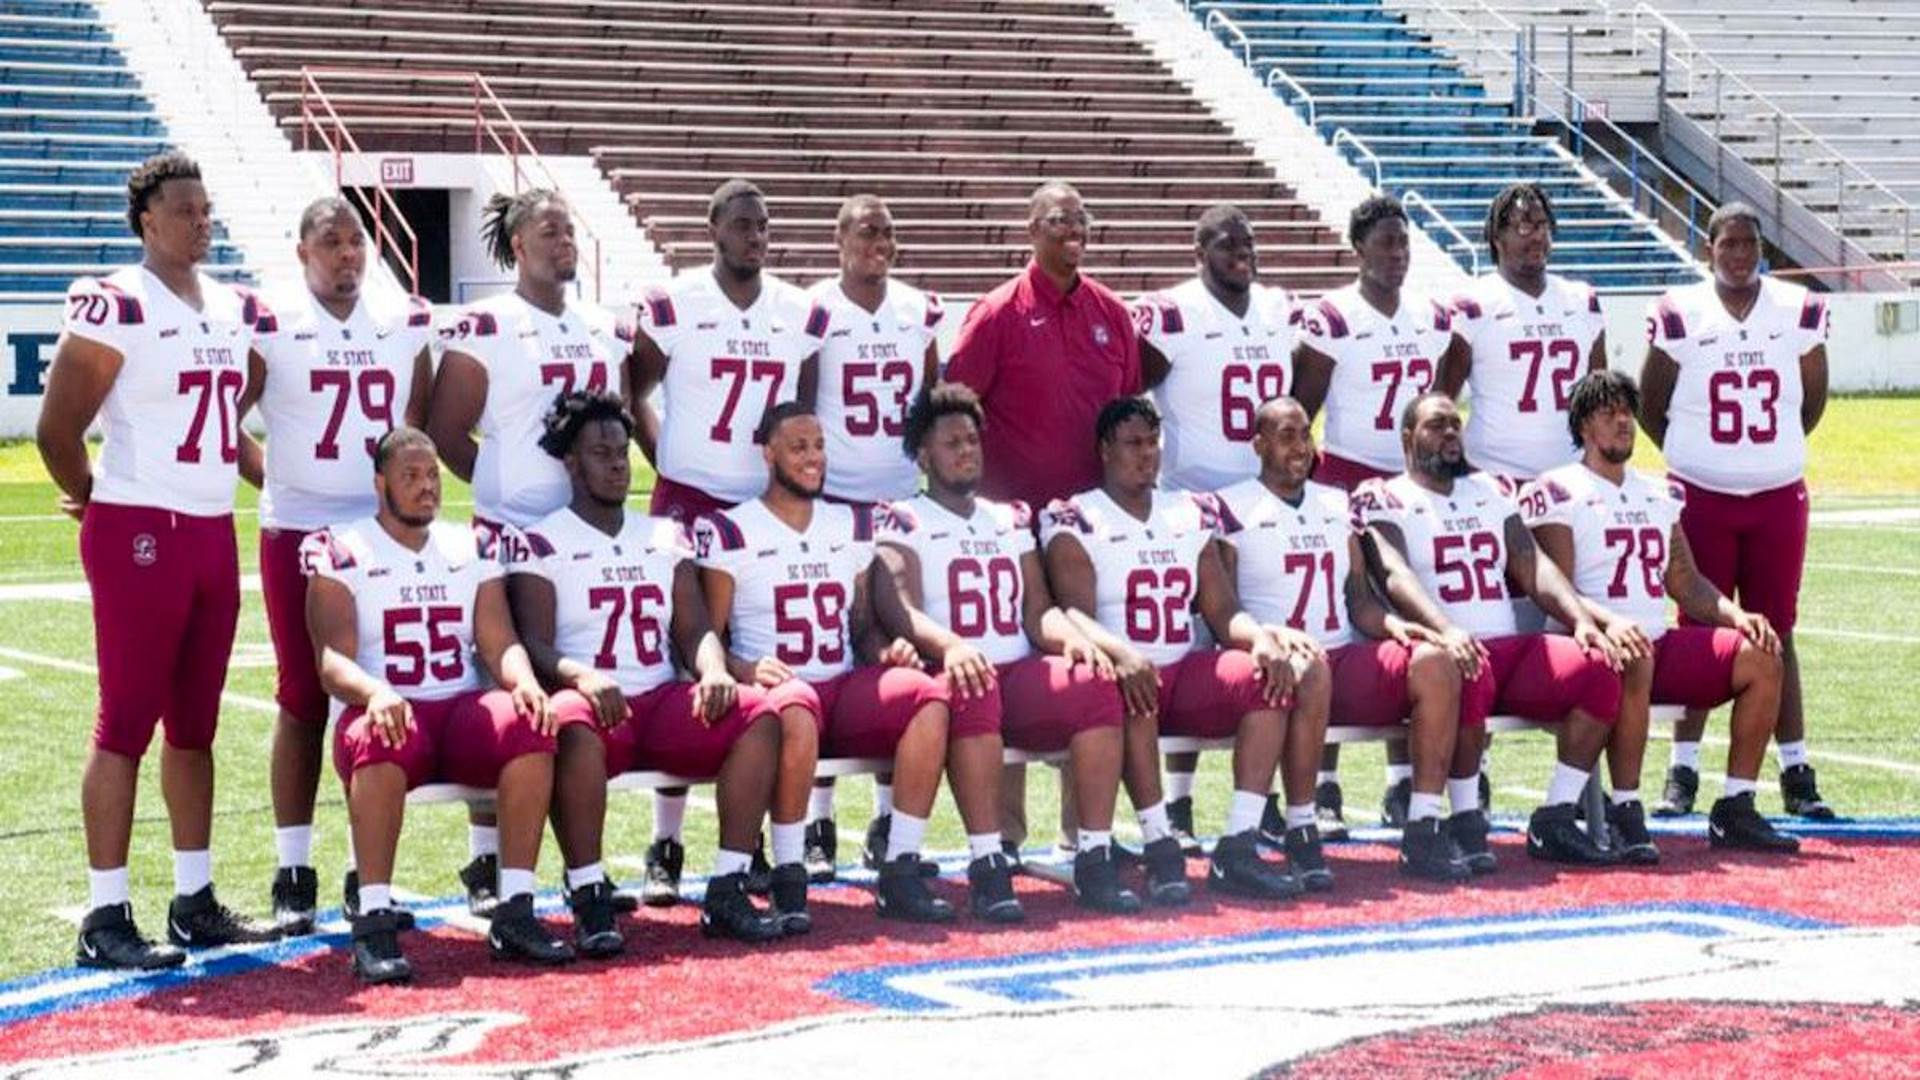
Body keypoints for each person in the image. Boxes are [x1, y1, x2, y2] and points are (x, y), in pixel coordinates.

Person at [39, 151, 278, 969]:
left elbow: (224, 418)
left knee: (196, 727)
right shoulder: (118, 300)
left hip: (212, 530)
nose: (202, 221)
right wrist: (96, 499)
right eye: (185, 210)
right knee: (125, 723)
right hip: (139, 525)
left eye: (207, 209)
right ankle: (105, 916)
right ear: (147, 218)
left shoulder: (232, 305)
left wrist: (267, 475)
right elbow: (57, 429)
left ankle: (193, 898)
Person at [507, 391, 788, 950]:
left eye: (621, 451)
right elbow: (532, 641)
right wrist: (581, 677)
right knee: (571, 726)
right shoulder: (541, 539)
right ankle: (589, 892)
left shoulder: (663, 535)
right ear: (570, 461)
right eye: (599, 453)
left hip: (658, 698)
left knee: (759, 715)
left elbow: (693, 629)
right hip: (592, 700)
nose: (615, 463)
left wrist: (712, 669)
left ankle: (729, 884)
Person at [425, 188, 634, 915]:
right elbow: (447, 430)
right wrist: (502, 487)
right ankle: (489, 864)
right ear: (517, 244)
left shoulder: (605, 327)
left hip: (588, 537)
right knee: (509, 688)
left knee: (590, 684)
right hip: (513, 531)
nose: (565, 241)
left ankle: (584, 866)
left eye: (570, 230)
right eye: (550, 230)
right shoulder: (486, 324)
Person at [304, 428, 569, 984]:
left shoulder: (467, 545)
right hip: (392, 711)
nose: (426, 488)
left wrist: (522, 681)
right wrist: (375, 692)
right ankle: (374, 920)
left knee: (531, 722)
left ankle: (515, 907)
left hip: (458, 709)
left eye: (432, 477)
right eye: (411, 477)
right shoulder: (342, 548)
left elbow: (498, 642)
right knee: (379, 733)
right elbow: (331, 659)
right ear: (380, 484)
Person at [238, 196, 434, 935]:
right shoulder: (274, 321)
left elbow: (411, 425)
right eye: (331, 242)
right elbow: (223, 415)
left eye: (357, 242)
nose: (347, 255)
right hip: (295, 529)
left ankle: (367, 872)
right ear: (301, 251)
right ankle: (293, 868)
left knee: (375, 694)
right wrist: (277, 481)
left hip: (374, 534)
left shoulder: (402, 322)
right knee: (300, 696)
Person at [695, 402, 964, 927]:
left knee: (928, 696)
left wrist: (887, 655)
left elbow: (862, 627)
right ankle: (790, 873)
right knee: (793, 705)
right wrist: (746, 670)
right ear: (768, 454)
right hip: (785, 689)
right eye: (799, 448)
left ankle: (901, 865)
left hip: (841, 682)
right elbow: (707, 634)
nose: (813, 458)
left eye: (818, 446)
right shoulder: (733, 530)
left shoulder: (852, 523)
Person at [877, 383, 1138, 915]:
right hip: (956, 674)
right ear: (924, 455)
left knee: (1095, 686)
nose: (966, 450)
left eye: (972, 440)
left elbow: (1037, 610)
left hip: (1016, 671)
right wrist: (952, 647)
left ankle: (1093, 855)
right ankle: (988, 861)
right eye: (952, 442)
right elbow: (900, 605)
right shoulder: (904, 519)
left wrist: (1077, 641)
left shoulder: (1008, 518)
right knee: (974, 687)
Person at [1043, 397, 1315, 904]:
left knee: (1266, 678)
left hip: (1184, 667)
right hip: (1122, 674)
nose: (1146, 455)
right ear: (1105, 450)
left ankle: (1239, 842)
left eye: (1152, 443)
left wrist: (1258, 638)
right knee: (1135, 684)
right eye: (1132, 444)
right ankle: (1158, 840)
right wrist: (1119, 653)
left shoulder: (1187, 511)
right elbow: (1072, 611)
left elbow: (1221, 607)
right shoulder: (1078, 516)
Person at [626, 179, 819, 893]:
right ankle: (664, 843)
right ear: (713, 228)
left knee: (757, 665)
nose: (755, 236)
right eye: (742, 224)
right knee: (686, 661)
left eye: (764, 225)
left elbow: (802, 406)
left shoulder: (798, 311)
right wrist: (666, 458)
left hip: (756, 507)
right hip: (686, 498)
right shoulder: (677, 303)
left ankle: (754, 836)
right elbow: (633, 390)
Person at [1521, 370, 1798, 858]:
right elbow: (1555, 587)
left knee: (1762, 651)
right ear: (1585, 425)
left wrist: (1737, 615)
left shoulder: (1657, 495)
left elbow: (1686, 584)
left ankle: (1736, 805)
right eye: (1609, 413)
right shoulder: (1558, 489)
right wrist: (1610, 621)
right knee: (1636, 653)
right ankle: (1628, 809)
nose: (1623, 422)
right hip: (1586, 644)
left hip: (1655, 642)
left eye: (1628, 411)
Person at [946, 180, 1141, 854]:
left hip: (1085, 532)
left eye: (1082, 219)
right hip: (1008, 527)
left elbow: (1125, 413)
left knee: (1088, 669)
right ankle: (1003, 837)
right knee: (1007, 666)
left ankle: (1081, 833)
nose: (1073, 230)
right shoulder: (998, 312)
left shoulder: (1111, 313)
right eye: (1059, 220)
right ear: (1030, 230)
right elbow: (956, 411)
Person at [1214, 398, 1481, 882]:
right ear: (1258, 444)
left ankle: (1422, 825)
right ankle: (1301, 827)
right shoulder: (1232, 508)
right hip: (1279, 661)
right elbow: (1223, 606)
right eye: (1286, 435)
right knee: (1310, 666)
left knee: (1434, 662)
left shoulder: (1337, 503)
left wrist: (1392, 626)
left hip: (1342, 655)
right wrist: (1265, 637)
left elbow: (1358, 598)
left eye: (1305, 434)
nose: (1300, 446)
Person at [1355, 394, 1625, 868]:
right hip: (1449, 655)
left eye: (1455, 425)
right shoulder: (1387, 497)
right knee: (1468, 663)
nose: (1450, 434)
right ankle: (1464, 817)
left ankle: (1556, 815)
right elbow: (1394, 573)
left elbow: (1529, 561)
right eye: (1436, 426)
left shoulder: (1490, 489)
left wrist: (1582, 621)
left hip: (1512, 653)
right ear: (1407, 439)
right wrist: (1446, 630)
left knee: (1599, 668)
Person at [1637, 203, 1834, 822]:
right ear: (1708, 248)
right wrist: (1697, 456)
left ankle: (1796, 769)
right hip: (1700, 490)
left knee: (1778, 629)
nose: (1740, 255)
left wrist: (1768, 453)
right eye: (1729, 244)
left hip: (1776, 493)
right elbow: (1651, 404)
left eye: (1749, 244)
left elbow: (1811, 399)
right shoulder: (1679, 312)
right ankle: (1684, 768)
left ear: (1762, 250)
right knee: (1700, 628)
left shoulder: (1797, 310)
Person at [1292, 194, 1470, 834]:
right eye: (1384, 243)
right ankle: (1327, 779)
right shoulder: (1332, 315)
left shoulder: (1433, 314)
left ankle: (1403, 779)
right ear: (1357, 247)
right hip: (1343, 471)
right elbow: (1301, 406)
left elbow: (1448, 381)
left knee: (1409, 616)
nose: (1396, 254)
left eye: (1403, 242)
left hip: (1406, 479)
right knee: (1340, 615)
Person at [1133, 204, 1299, 846]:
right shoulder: (1172, 313)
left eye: (1249, 241)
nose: (1243, 252)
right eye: (1228, 243)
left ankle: (1264, 798)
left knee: (1263, 639)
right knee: (1200, 647)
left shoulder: (1278, 307)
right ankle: (1177, 801)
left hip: (1258, 503)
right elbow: (1133, 389)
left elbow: (1295, 400)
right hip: (1193, 500)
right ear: (1198, 251)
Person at [795, 193, 944, 879]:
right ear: (839, 240)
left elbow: (931, 400)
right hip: (832, 497)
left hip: (897, 502)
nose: (878, 241)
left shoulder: (918, 310)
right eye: (865, 230)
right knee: (827, 650)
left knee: (901, 651)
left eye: (887, 230)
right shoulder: (816, 310)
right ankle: (818, 819)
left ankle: (888, 818)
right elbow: (799, 400)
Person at [1440, 183, 1608, 482]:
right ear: (1497, 238)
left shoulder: (1582, 300)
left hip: (1572, 477)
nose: (1538, 236)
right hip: (1493, 476)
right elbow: (1441, 400)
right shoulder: (1473, 305)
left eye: (1543, 225)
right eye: (1525, 227)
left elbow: (1600, 398)